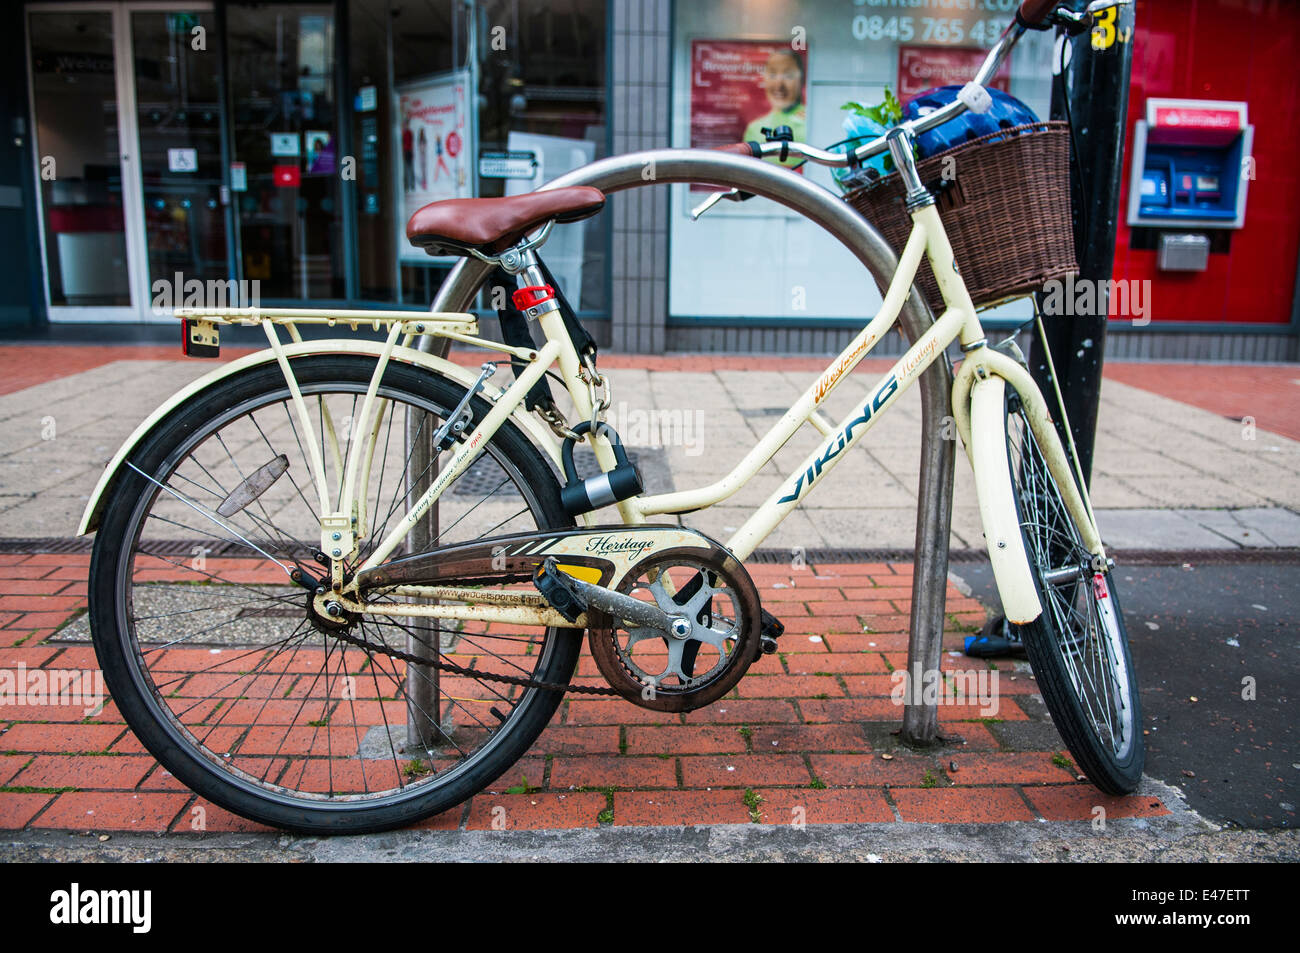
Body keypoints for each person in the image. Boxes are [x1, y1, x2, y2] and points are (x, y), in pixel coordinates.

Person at [742, 49, 807, 169]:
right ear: (764, 78)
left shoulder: (812, 121)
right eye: (772, 74)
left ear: (802, 79)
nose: (779, 84)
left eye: (789, 75)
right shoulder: (754, 128)